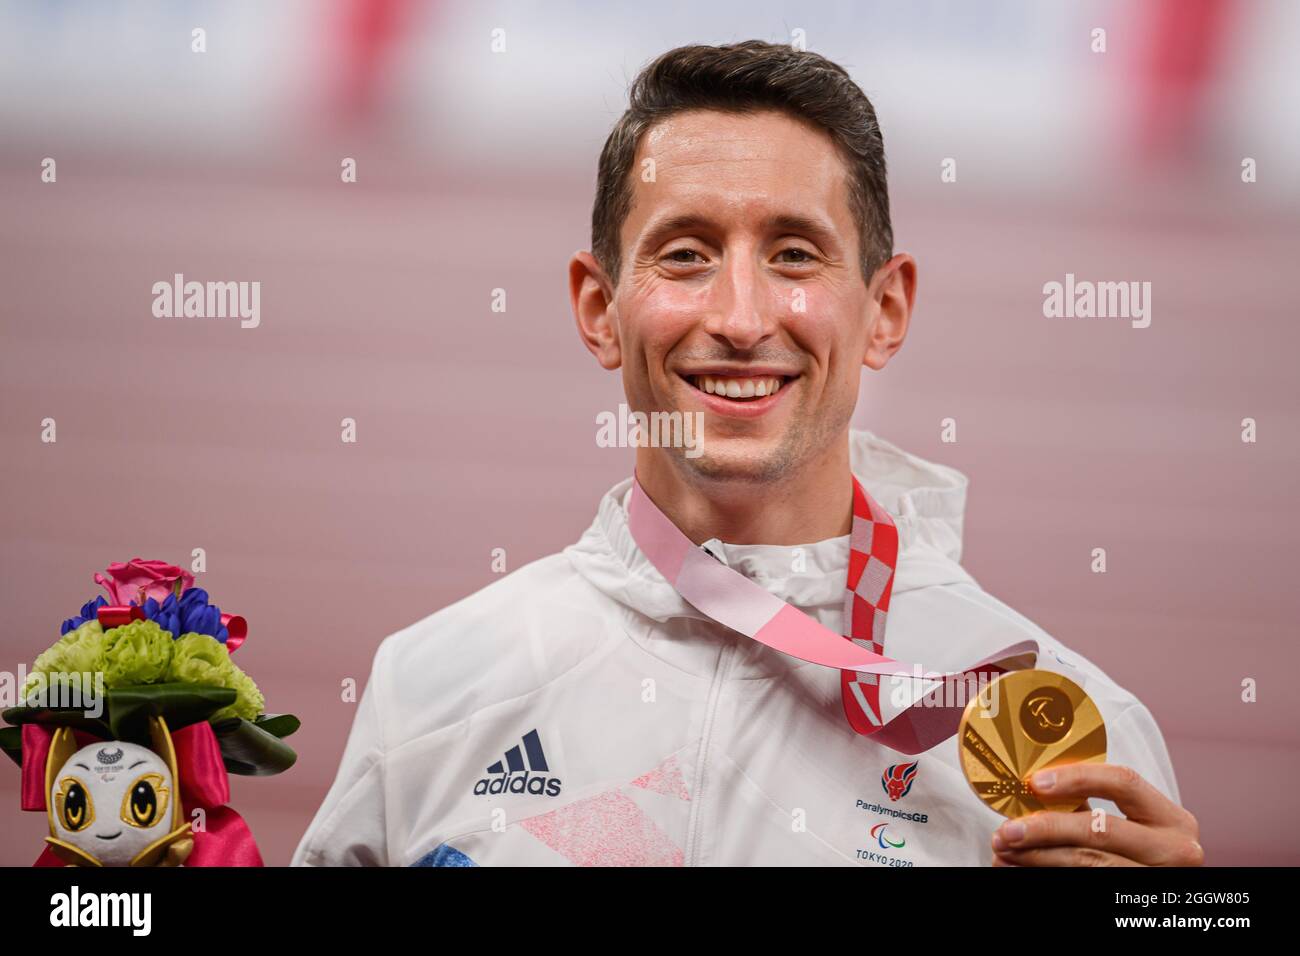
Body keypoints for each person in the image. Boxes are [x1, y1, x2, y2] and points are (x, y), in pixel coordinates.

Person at [292, 40, 1201, 867]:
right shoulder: (434, 688)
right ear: (598, 308)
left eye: (796, 255)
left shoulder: (1060, 738)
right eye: (685, 255)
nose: (737, 319)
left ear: (883, 311)